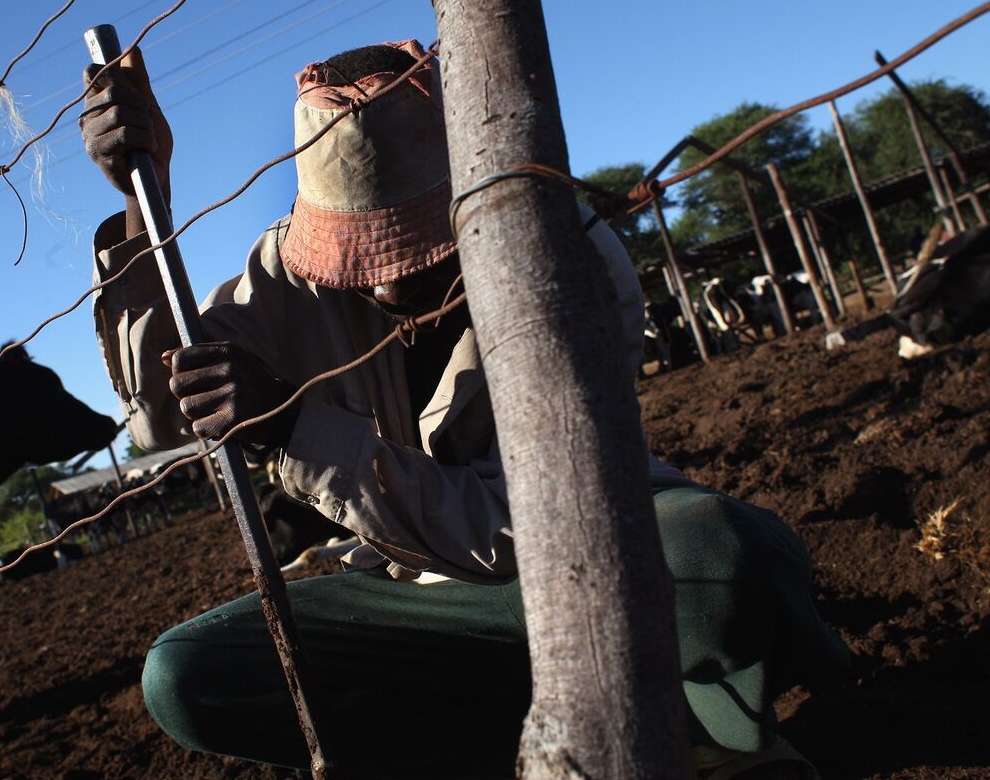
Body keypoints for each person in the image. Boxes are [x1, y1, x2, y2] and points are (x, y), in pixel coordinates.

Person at [80, 40, 850, 779]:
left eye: (410, 248)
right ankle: (499, 751)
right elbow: (160, 419)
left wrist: (294, 430)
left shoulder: (572, 259)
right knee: (188, 676)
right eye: (357, 255)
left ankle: (700, 738)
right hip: (411, 595)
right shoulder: (286, 269)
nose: (384, 289)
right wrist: (144, 211)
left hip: (585, 565)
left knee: (718, 555)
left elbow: (525, 529)